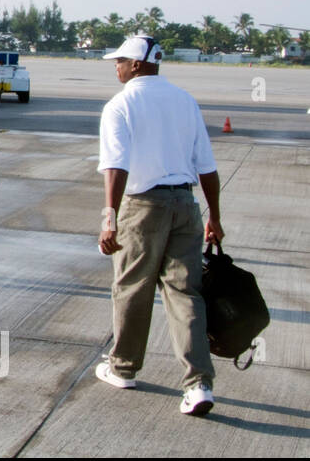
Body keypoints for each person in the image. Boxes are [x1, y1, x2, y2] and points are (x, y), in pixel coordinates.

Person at [95, 35, 223, 417]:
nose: (115, 66)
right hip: (186, 204)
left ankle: (123, 368)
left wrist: (109, 218)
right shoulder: (185, 100)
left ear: (136, 65)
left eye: (119, 60)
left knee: (133, 287)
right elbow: (207, 167)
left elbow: (116, 167)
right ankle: (198, 384)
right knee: (186, 294)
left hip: (143, 206)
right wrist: (214, 217)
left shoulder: (120, 105)